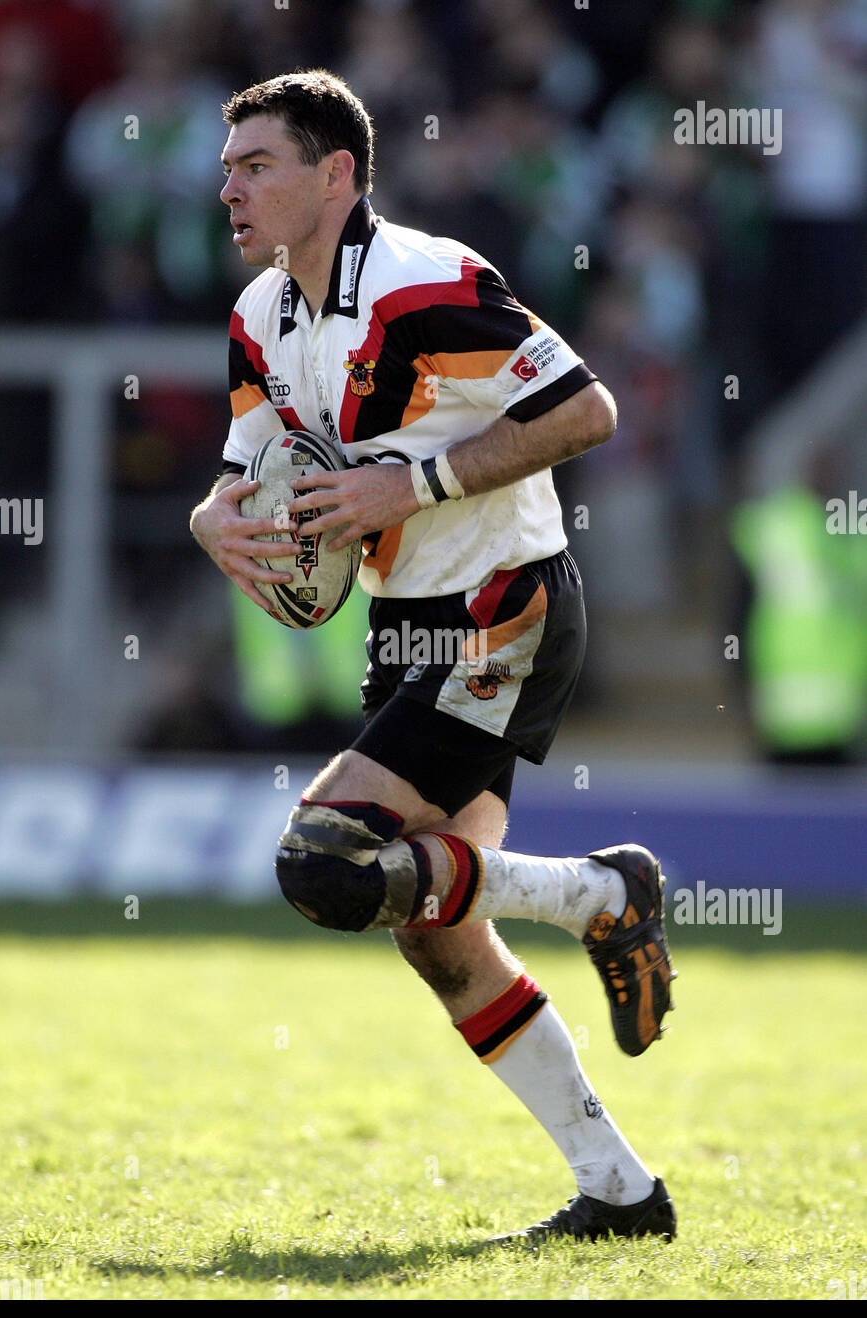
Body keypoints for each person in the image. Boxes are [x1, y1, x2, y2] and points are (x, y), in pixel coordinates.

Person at [190, 70, 677, 1245]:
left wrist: (410, 483)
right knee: (432, 929)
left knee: (326, 859)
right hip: (405, 619)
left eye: (257, 165)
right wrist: (212, 516)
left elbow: (586, 410)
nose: (230, 189)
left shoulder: (424, 282)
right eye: (226, 168)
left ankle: (604, 895)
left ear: (337, 175)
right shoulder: (264, 313)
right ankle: (620, 1194)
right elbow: (253, 457)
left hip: (503, 601)